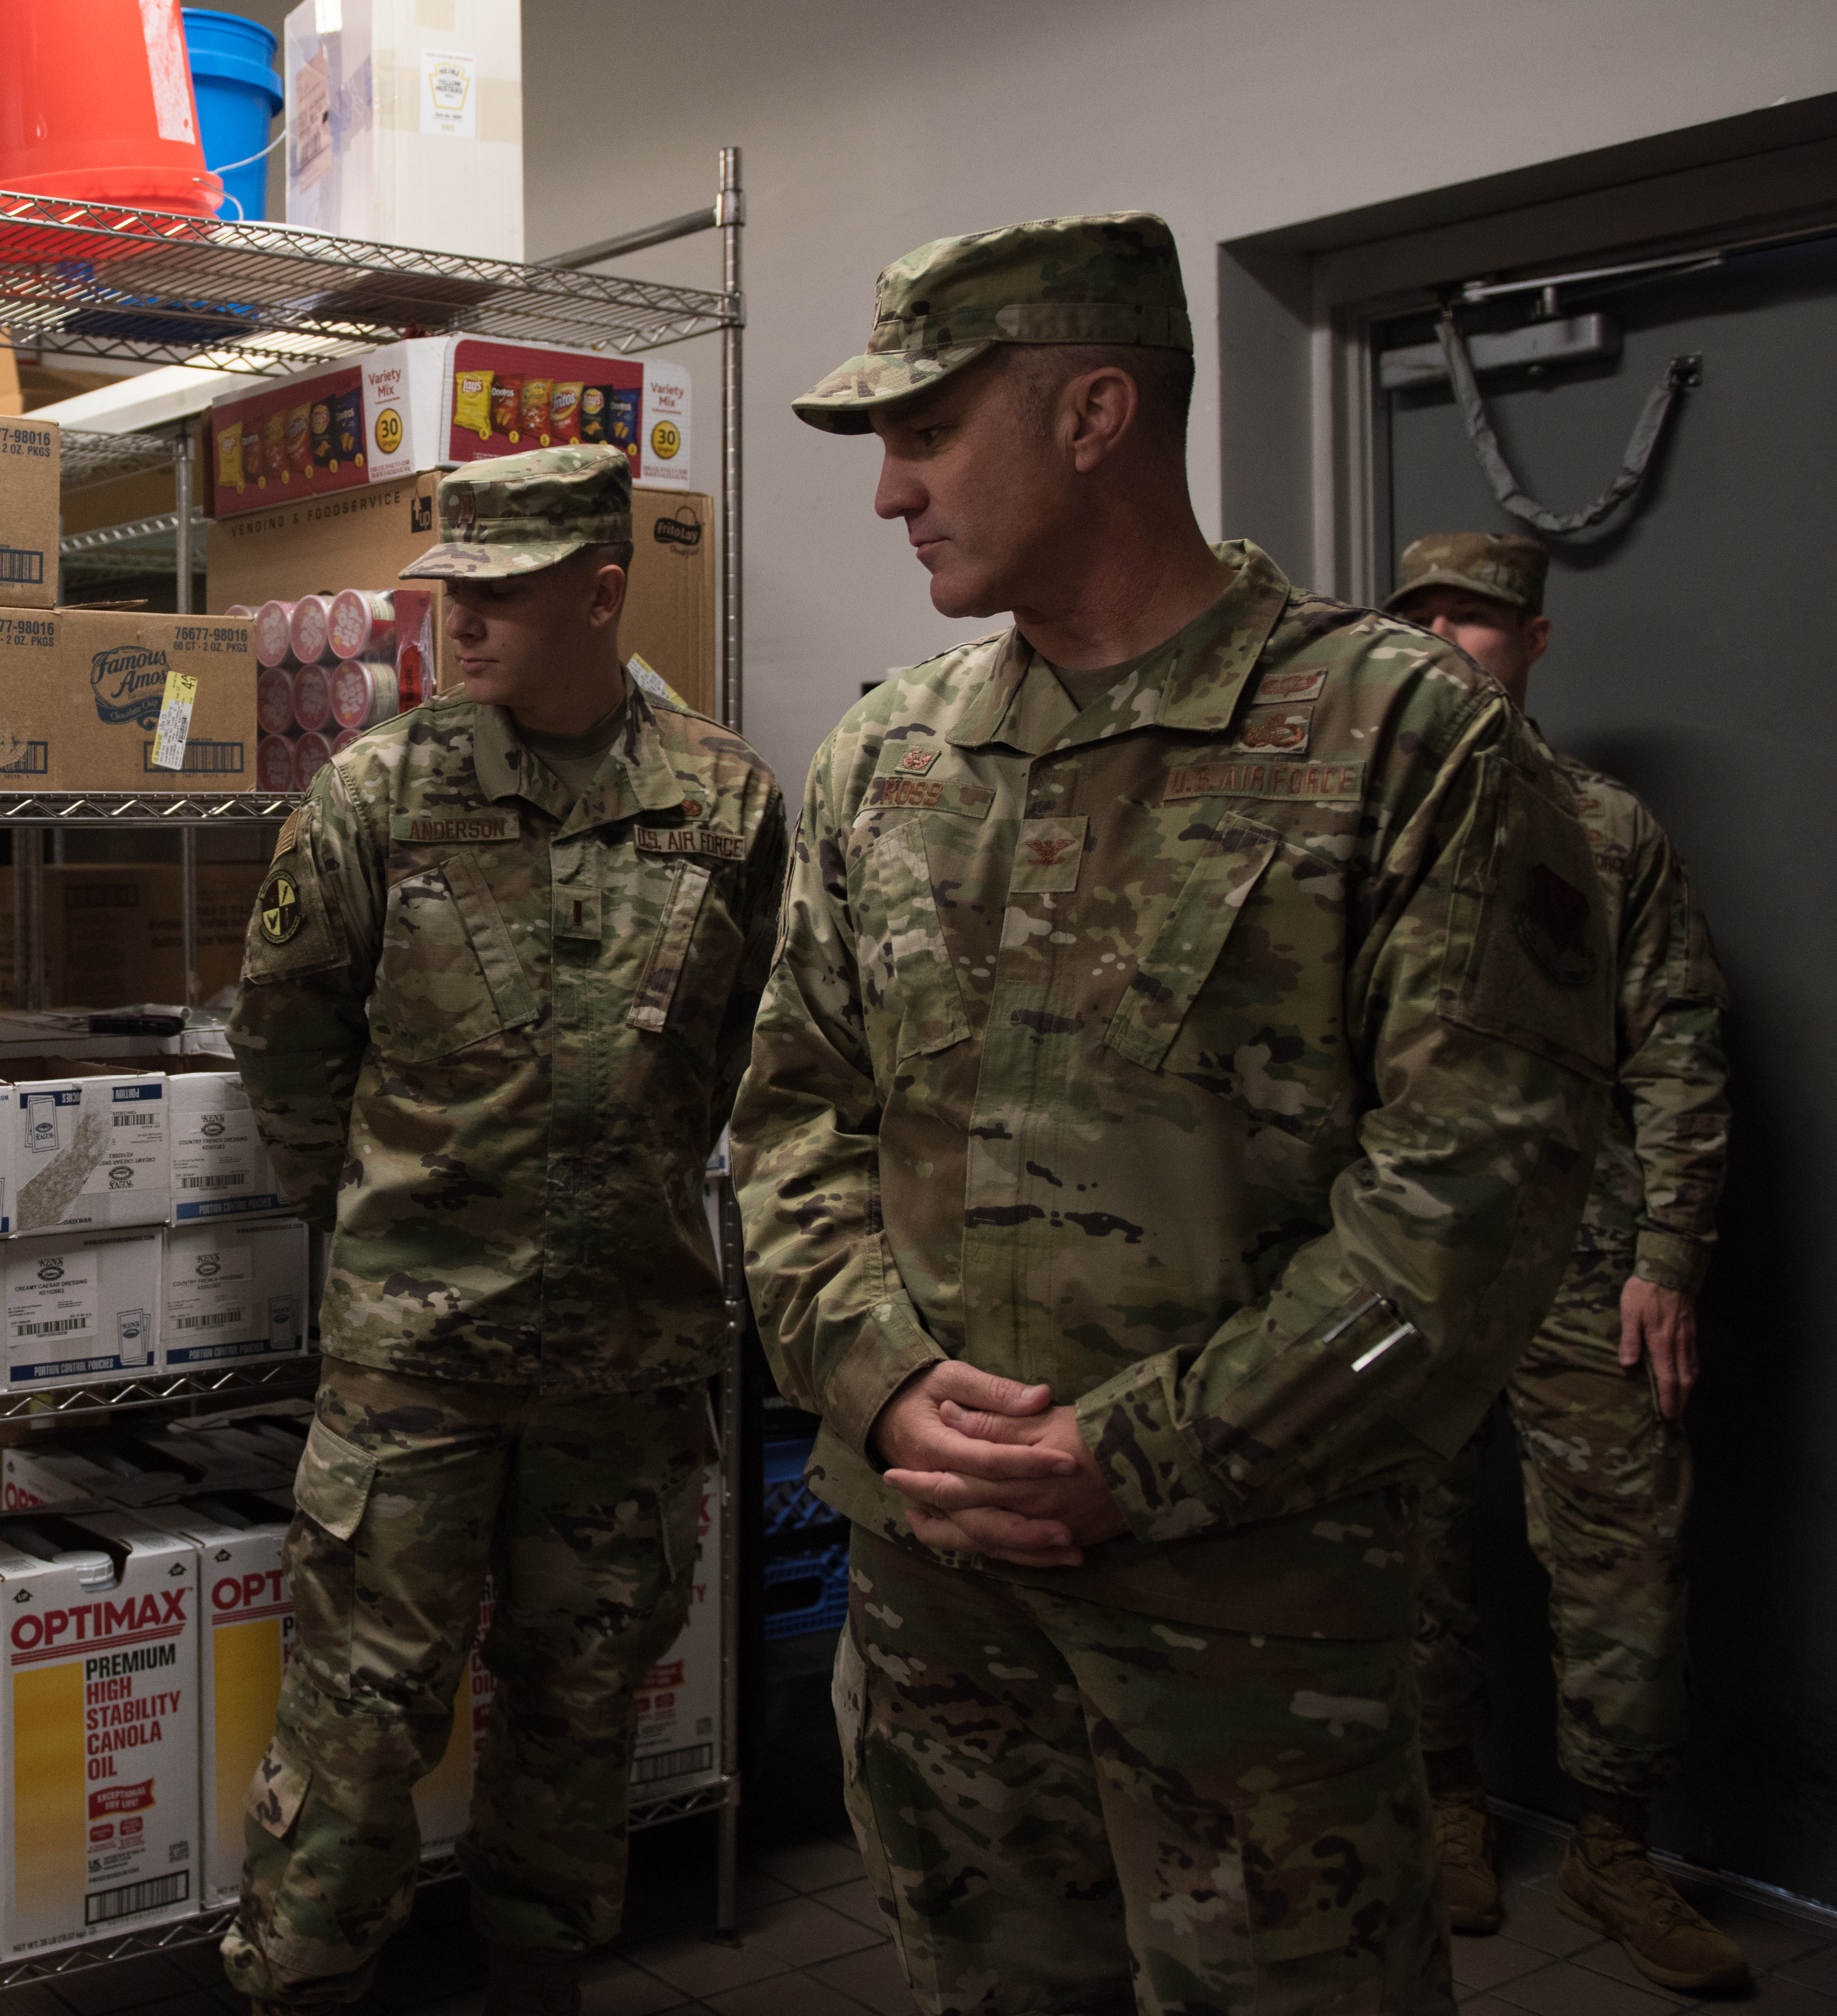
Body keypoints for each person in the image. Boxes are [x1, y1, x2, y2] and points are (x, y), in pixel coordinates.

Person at [732, 213, 1614, 2015]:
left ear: (1092, 414)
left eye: (922, 432)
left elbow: (1474, 1208)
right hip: (933, 1614)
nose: (888, 493)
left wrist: (1130, 1463)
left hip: (1250, 1642)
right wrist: (881, 1379)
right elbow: (789, 1125)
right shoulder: (885, 759)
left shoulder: (1402, 743)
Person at [222, 444, 784, 2014]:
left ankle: (539, 1979)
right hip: (419, 1359)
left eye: (497, 599)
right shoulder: (377, 794)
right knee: (358, 1714)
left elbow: (743, 1045)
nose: (454, 629)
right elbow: (285, 1034)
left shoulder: (724, 801)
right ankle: (302, 1986)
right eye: (446, 596)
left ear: (598, 595)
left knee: (583, 1705)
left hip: (625, 1354)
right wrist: (384, 1218)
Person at [1390, 531, 1741, 1991]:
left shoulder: (1603, 833)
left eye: (1477, 620)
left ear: (1532, 644)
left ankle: (1611, 1852)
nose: (1445, 639)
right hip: (1398, 1268)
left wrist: (1668, 1246)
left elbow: (1674, 1041)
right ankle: (1447, 1809)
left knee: (1620, 1571)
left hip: (1583, 1267)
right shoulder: (1360, 818)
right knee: (1407, 1555)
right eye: (1421, 616)